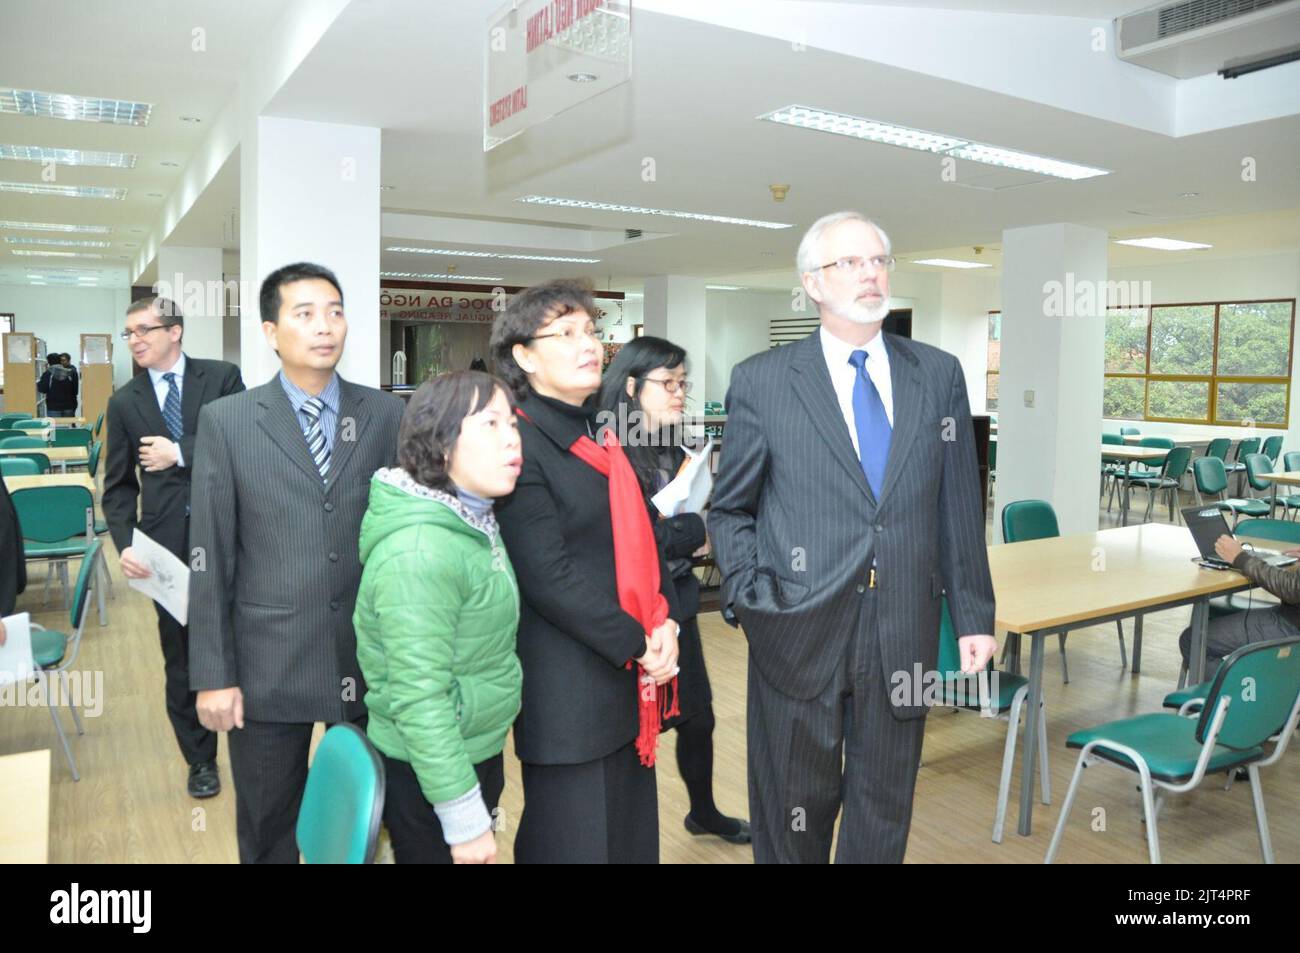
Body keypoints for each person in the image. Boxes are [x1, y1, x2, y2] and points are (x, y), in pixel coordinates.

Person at [709, 210, 998, 864]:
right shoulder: (763, 380)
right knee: (792, 806)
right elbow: (730, 508)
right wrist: (750, 599)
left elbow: (957, 502)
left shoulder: (938, 374)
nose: (871, 273)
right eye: (850, 262)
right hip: (795, 626)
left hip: (903, 625)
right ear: (812, 283)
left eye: (879, 260)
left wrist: (973, 613)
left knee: (883, 806)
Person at [188, 262, 405, 863]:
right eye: (304, 314)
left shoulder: (384, 415)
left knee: (366, 821)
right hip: (267, 663)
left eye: (335, 312)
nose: (324, 326)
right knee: (268, 824)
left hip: (366, 655)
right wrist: (213, 673)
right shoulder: (229, 421)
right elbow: (210, 557)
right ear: (270, 331)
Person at [491, 279, 682, 864]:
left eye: (592, 331)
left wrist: (667, 621)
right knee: (574, 844)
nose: (589, 344)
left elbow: (644, 535)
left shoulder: (600, 430)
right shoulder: (519, 441)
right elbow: (548, 577)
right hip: (567, 690)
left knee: (627, 842)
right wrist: (639, 642)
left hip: (627, 680)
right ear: (524, 356)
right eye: (566, 333)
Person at [353, 371, 523, 864]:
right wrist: (463, 816)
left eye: (512, 423)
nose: (511, 439)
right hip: (430, 769)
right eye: (490, 424)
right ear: (441, 444)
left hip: (471, 749)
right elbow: (420, 698)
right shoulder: (420, 550)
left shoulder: (470, 520)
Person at [596, 336, 750, 844]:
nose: (680, 393)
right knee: (629, 729)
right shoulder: (607, 447)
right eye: (668, 383)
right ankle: (621, 831)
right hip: (630, 609)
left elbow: (669, 524)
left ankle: (703, 812)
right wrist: (689, 532)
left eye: (683, 383)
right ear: (632, 386)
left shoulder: (675, 445)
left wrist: (687, 530)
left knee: (698, 717)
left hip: (678, 596)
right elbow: (627, 537)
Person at [102, 296, 244, 798]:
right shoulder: (125, 402)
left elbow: (242, 441)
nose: (135, 340)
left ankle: (254, 750)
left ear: (175, 331)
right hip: (164, 549)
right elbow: (118, 486)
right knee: (181, 656)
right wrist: (125, 543)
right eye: (129, 333)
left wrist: (179, 451)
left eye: (145, 329)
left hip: (229, 536)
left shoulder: (222, 378)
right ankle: (200, 760)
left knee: (244, 644)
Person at [1180, 534, 1300, 670]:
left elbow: (1292, 589)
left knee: (1192, 641)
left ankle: (1234, 685)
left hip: (1292, 625)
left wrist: (1240, 558)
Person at [38, 353, 79, 417]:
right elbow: (75, 391)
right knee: (69, 423)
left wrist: (38, 383)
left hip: (53, 407)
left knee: (55, 424)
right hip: (69, 406)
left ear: (49, 362)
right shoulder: (70, 372)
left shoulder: (48, 374)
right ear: (59, 361)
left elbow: (43, 389)